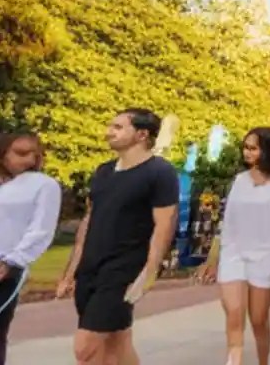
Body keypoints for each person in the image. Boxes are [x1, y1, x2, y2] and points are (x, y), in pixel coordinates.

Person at [56, 108, 180, 365]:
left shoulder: (160, 172)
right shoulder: (103, 171)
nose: (109, 132)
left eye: (118, 127)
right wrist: (71, 271)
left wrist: (149, 272)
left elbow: (164, 224)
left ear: (142, 134)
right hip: (91, 267)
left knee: (85, 348)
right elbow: (89, 220)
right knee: (117, 342)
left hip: (123, 268)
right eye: (110, 126)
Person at [196, 127, 270, 365]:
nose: (247, 152)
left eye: (253, 148)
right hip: (234, 253)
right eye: (245, 147)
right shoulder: (239, 180)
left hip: (267, 255)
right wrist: (213, 258)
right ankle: (233, 360)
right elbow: (228, 222)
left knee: (258, 319)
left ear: (268, 150)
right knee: (234, 313)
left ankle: (263, 361)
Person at [0, 131, 61, 365]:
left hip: (5, 267)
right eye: (20, 153)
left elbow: (41, 229)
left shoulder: (43, 185)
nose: (28, 160)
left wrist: (13, 262)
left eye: (33, 154)